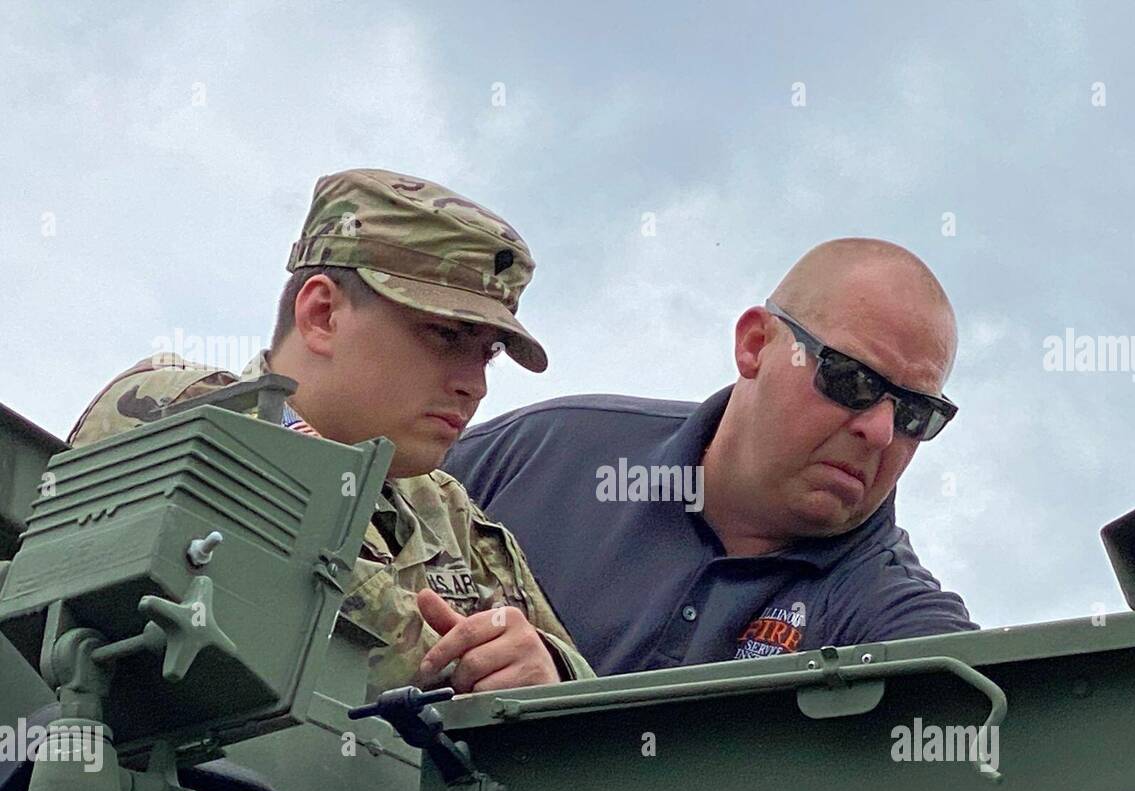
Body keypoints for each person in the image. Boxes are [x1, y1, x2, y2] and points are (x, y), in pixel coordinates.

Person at [67, 167, 593, 699]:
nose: (474, 385)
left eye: (488, 355)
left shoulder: (451, 513)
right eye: (445, 335)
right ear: (321, 315)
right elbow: (340, 649)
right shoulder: (183, 409)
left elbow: (606, 714)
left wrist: (547, 668)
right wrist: (472, 667)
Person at [443, 238, 976, 676]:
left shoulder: (896, 619)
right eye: (851, 379)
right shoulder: (544, 456)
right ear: (754, 345)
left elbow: (993, 749)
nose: (880, 431)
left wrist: (549, 707)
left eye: (916, 414)